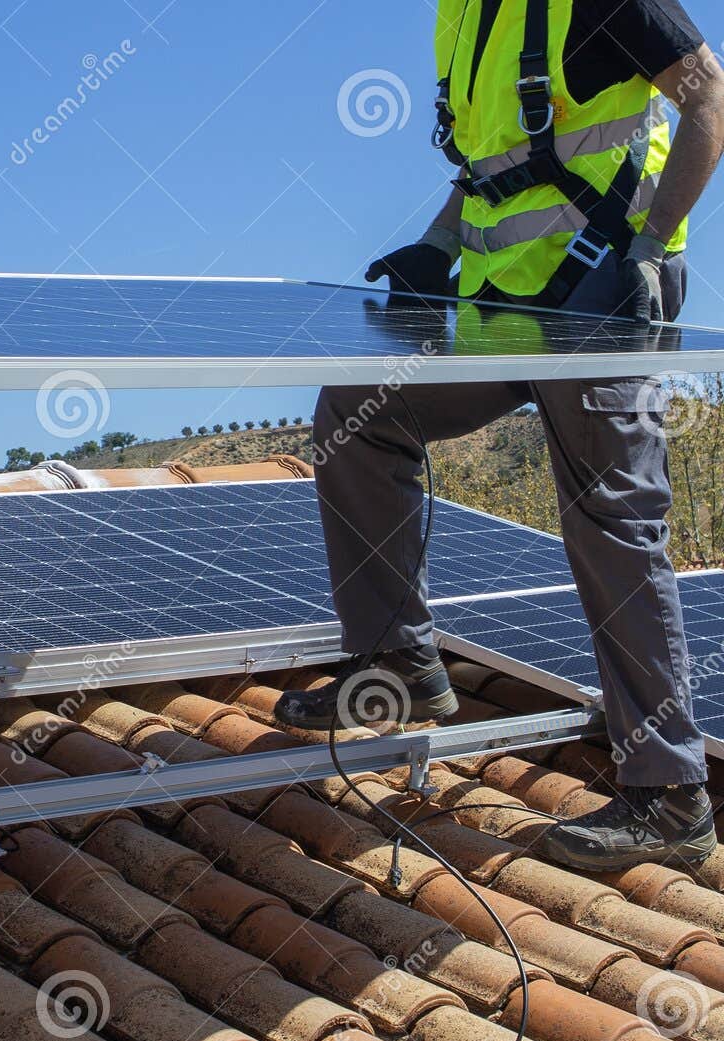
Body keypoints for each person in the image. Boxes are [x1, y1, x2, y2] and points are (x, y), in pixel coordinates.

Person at [277, 0, 724, 870]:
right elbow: (496, 168)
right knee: (356, 416)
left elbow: (710, 99)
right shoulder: (461, 17)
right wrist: (435, 246)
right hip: (497, 315)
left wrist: (649, 244)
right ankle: (398, 668)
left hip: (600, 310)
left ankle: (668, 797)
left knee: (613, 527)